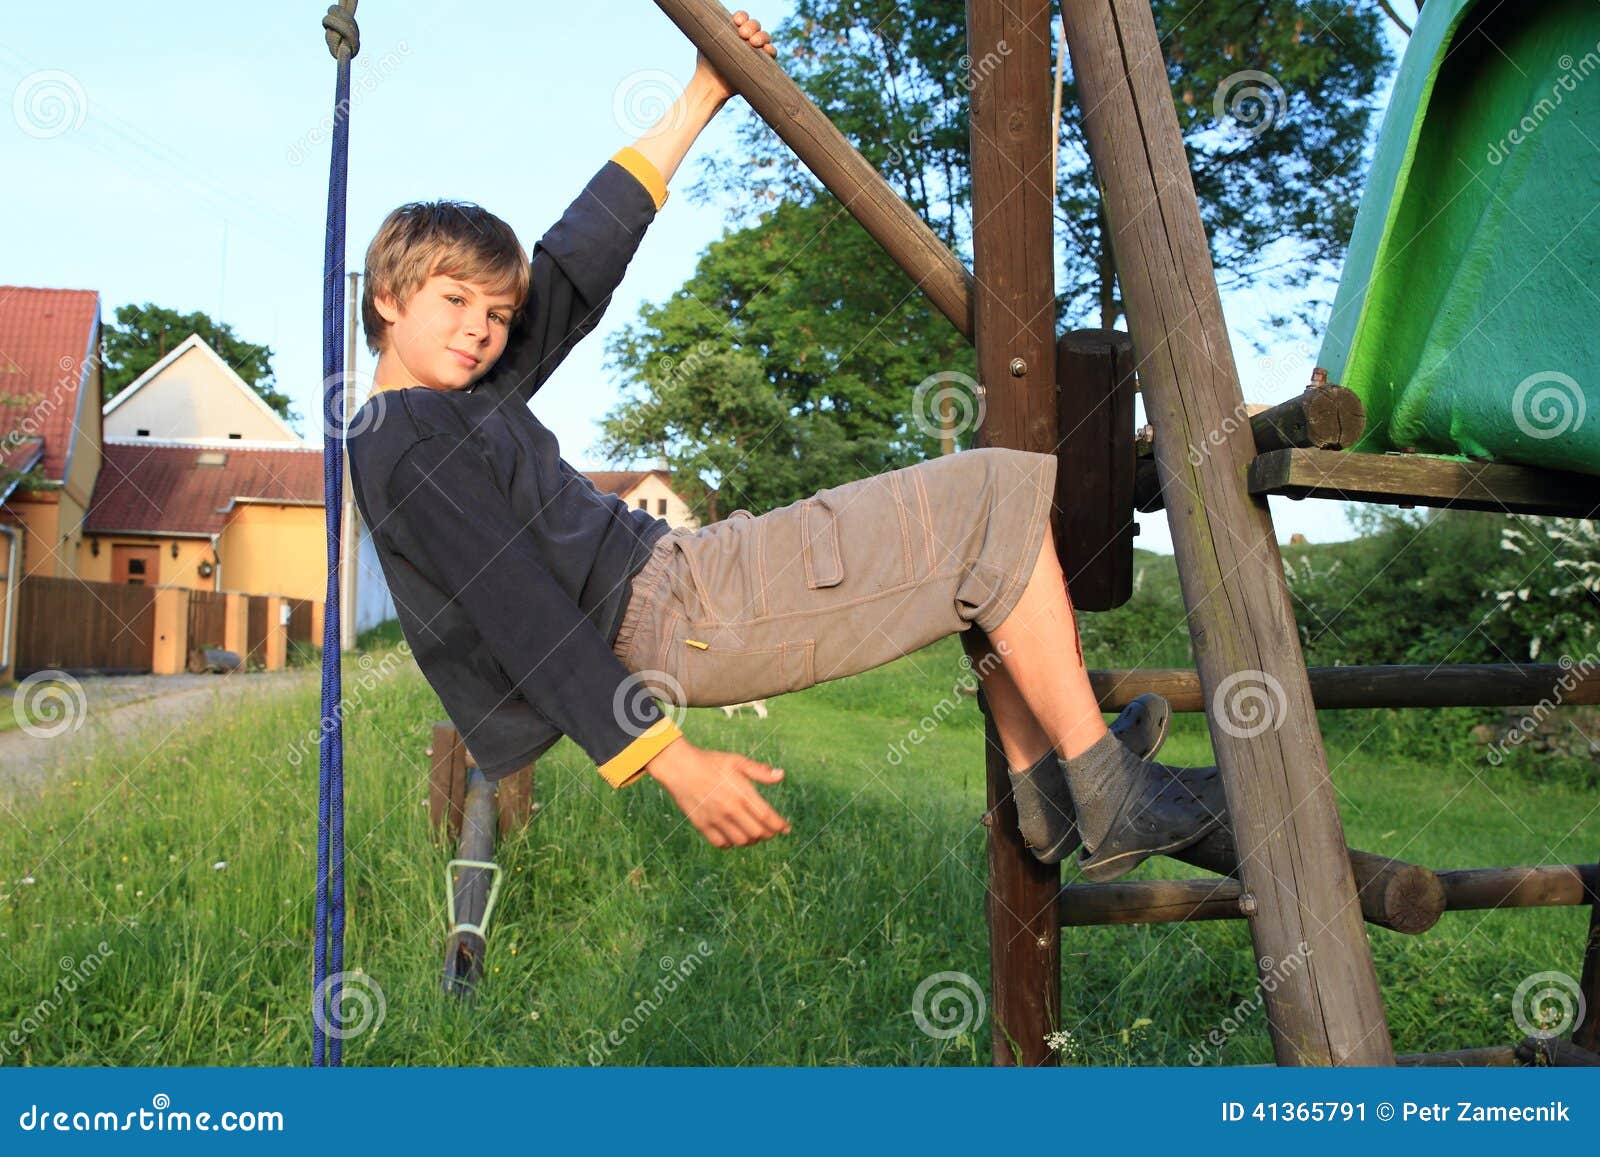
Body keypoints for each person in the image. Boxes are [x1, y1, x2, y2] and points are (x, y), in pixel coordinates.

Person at [345, 12, 1232, 884]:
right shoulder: (411, 442)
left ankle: (1050, 783)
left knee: (975, 538)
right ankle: (1106, 789)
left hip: (682, 581)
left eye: (496, 315)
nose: (481, 331)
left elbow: (573, 268)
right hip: (679, 615)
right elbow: (520, 610)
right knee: (995, 496)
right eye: (455, 302)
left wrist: (702, 92)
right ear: (388, 296)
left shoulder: (454, 399)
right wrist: (670, 759)